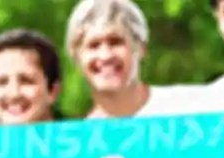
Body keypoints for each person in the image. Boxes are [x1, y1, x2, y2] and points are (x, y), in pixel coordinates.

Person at [66, 0, 201, 118]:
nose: (105, 55)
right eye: (93, 45)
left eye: (115, 42)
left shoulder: (186, 108)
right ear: (77, 58)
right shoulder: (80, 141)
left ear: (141, 48)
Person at [0, 29, 63, 125]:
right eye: (2, 82)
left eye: (26, 81)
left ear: (53, 91)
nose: (14, 94)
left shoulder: (83, 138)